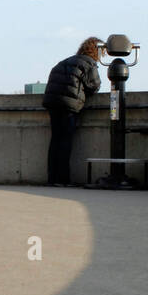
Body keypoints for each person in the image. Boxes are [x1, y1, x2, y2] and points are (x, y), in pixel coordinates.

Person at [41, 37, 105, 186]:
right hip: (69, 106)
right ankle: (63, 179)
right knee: (65, 142)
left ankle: (52, 178)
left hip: (52, 103)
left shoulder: (65, 61)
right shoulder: (89, 63)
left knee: (55, 141)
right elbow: (94, 85)